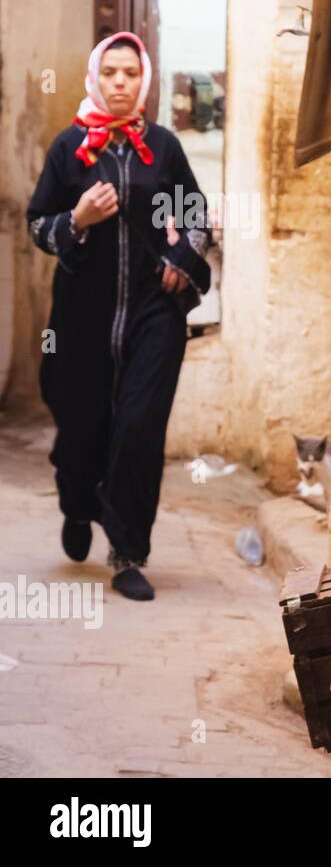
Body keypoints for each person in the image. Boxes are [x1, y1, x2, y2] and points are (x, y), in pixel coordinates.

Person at [27, 31, 213, 600]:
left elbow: (196, 213)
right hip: (81, 318)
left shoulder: (163, 147)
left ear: (144, 81)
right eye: (110, 72)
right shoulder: (67, 148)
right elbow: (38, 223)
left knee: (139, 425)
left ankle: (129, 550)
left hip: (153, 311)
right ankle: (79, 504)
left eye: (130, 73)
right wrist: (77, 219)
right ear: (95, 77)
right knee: (80, 422)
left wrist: (183, 256)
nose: (119, 83)